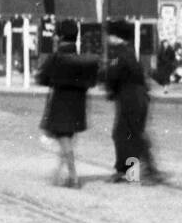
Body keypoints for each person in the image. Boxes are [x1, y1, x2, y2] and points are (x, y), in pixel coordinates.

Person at [36, 20, 100, 188]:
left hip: (60, 104)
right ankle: (58, 174)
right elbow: (93, 80)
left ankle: (73, 177)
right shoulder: (84, 59)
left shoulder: (56, 58)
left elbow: (42, 78)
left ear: (60, 37)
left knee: (64, 139)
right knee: (67, 140)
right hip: (79, 104)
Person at [105, 19, 163, 184]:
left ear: (116, 37)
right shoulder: (127, 52)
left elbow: (113, 76)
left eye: (111, 35)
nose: (108, 39)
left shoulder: (121, 54)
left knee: (131, 135)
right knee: (127, 135)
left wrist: (110, 89)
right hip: (135, 98)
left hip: (130, 100)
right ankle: (128, 170)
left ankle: (146, 172)